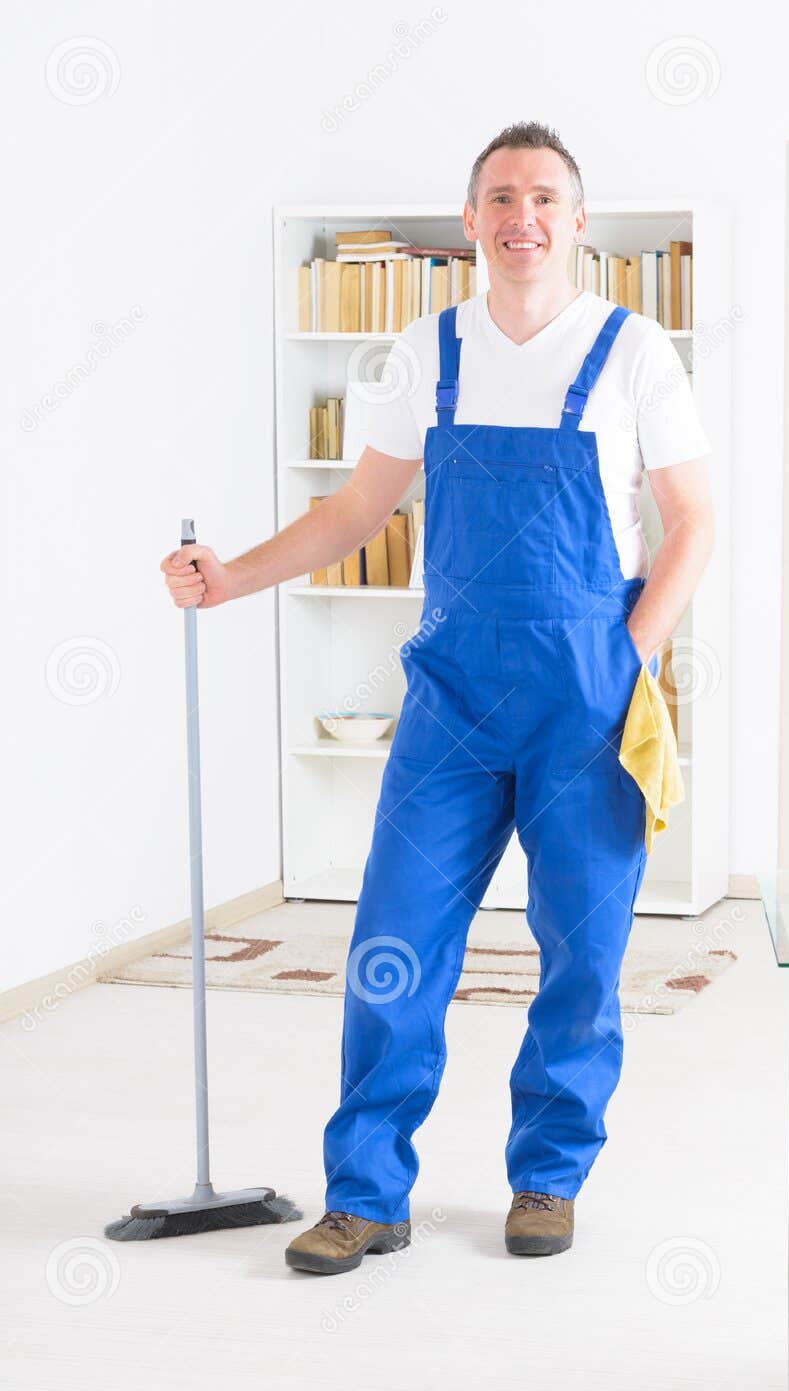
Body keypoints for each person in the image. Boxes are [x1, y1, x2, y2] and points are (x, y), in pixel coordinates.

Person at [161, 120, 714, 1273]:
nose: (522, 217)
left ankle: (547, 1177)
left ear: (577, 222)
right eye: (500, 197)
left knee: (581, 955)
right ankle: (366, 1195)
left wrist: (625, 662)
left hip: (586, 697)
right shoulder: (425, 350)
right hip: (453, 699)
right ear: (470, 220)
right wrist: (231, 579)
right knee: (394, 942)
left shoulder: (632, 351)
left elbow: (693, 522)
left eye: (544, 198)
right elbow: (354, 511)